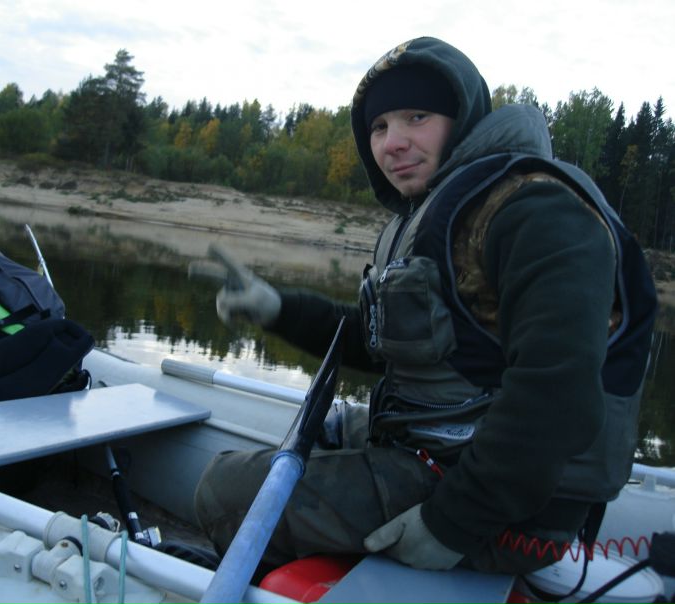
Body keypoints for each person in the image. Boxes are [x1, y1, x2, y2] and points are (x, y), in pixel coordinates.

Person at [193, 36, 658, 575]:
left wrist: (451, 523)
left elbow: (558, 390)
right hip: (442, 448)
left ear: (463, 120)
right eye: (379, 126)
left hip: (514, 512)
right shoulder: (433, 213)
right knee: (325, 429)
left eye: (417, 117)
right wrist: (278, 308)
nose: (393, 143)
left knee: (224, 492)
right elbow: (386, 343)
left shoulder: (533, 208)